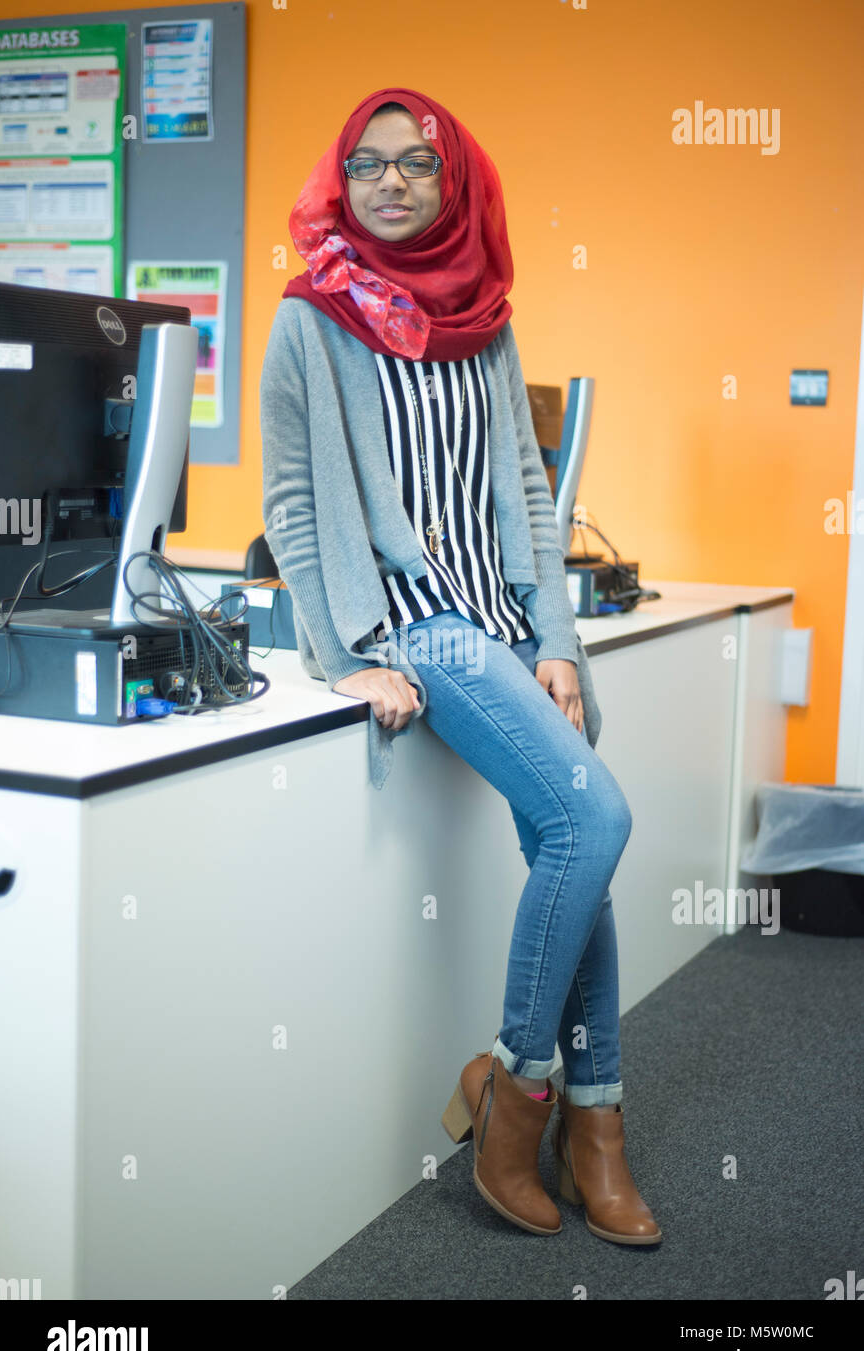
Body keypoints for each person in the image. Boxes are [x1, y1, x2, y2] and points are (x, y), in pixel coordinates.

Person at [260, 86, 660, 1245]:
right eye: (369, 163)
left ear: (454, 181)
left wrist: (556, 638)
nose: (392, 181)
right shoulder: (310, 317)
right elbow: (291, 503)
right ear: (342, 180)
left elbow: (531, 497)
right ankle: (518, 1090)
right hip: (421, 628)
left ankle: (594, 1120)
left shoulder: (485, 312)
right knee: (594, 824)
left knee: (567, 841)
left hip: (504, 620)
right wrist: (340, 657)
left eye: (417, 164)